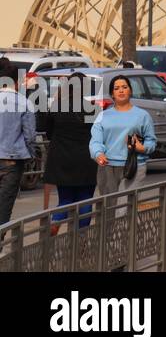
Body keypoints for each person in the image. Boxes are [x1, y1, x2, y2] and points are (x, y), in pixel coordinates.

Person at [37, 73, 98, 232]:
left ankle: (56, 221)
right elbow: (97, 135)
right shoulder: (93, 109)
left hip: (62, 159)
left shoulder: (57, 107)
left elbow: (49, 133)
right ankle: (81, 236)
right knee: (85, 199)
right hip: (86, 160)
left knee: (65, 199)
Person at [89, 74, 157, 197]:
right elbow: (95, 141)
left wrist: (142, 148)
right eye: (116, 88)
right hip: (108, 166)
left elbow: (151, 141)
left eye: (124, 87)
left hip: (134, 167)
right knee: (108, 209)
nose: (121, 90)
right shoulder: (103, 116)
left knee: (125, 209)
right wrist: (98, 153)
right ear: (112, 94)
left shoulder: (143, 115)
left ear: (130, 91)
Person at [0, 60, 36, 226]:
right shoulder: (24, 102)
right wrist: (30, 155)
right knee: (4, 207)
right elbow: (29, 135)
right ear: (15, 82)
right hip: (12, 160)